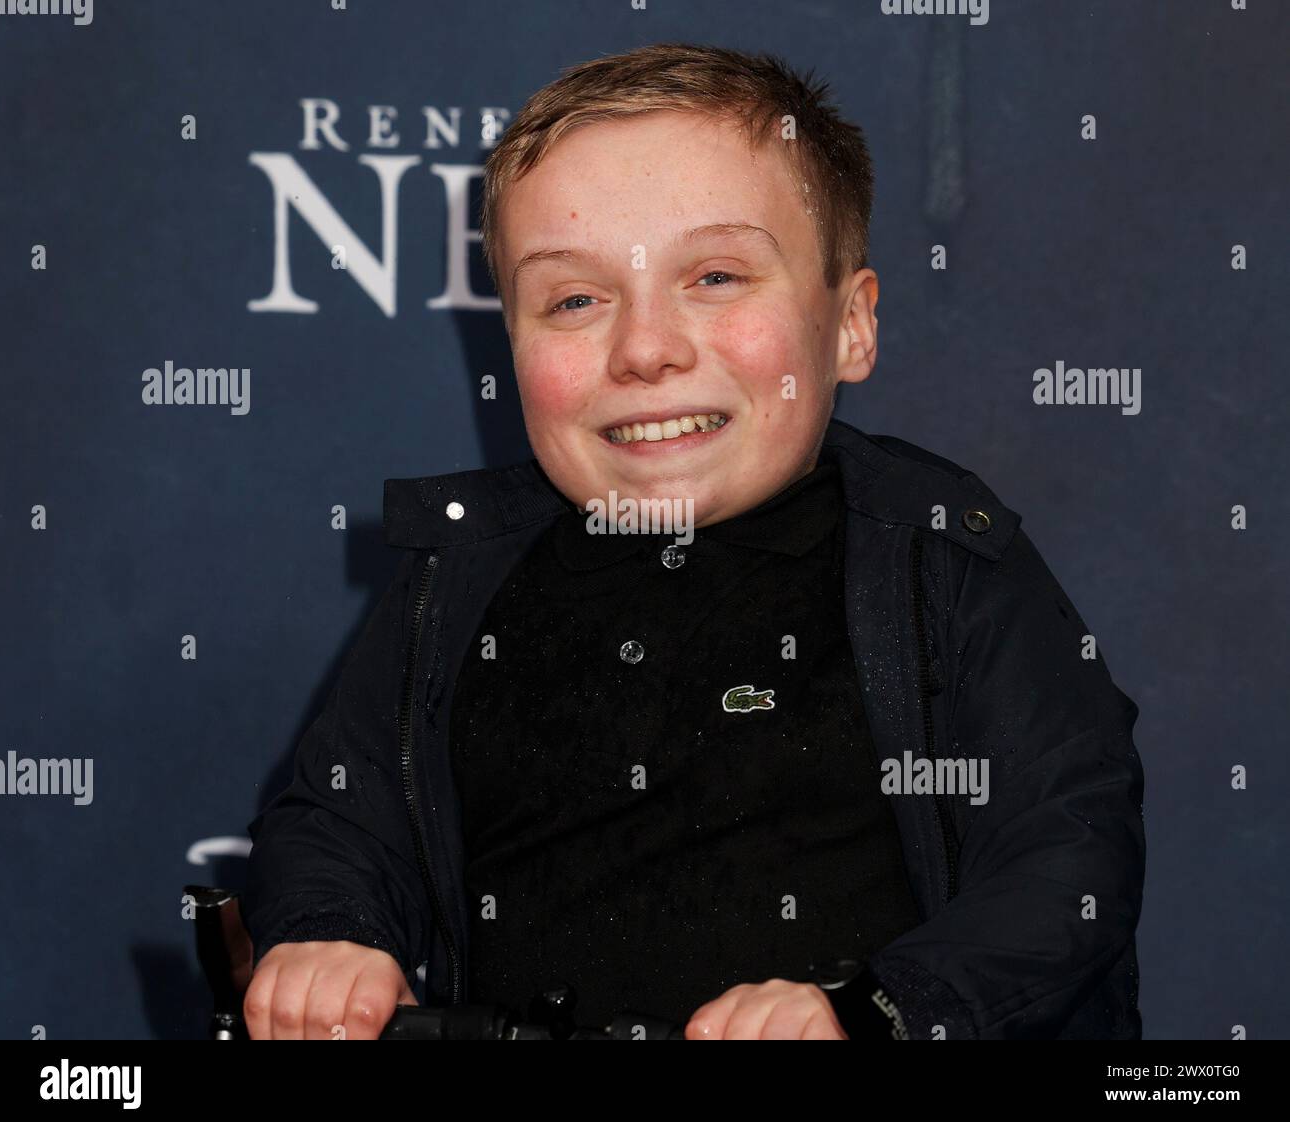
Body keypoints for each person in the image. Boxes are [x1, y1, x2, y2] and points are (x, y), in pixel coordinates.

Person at [240, 42, 1145, 1041]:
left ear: (850, 325)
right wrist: (331, 934)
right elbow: (338, 816)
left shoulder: (940, 562)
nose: (643, 349)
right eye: (574, 300)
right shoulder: (456, 583)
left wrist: (878, 1011)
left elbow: (1066, 855)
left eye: (713, 276)